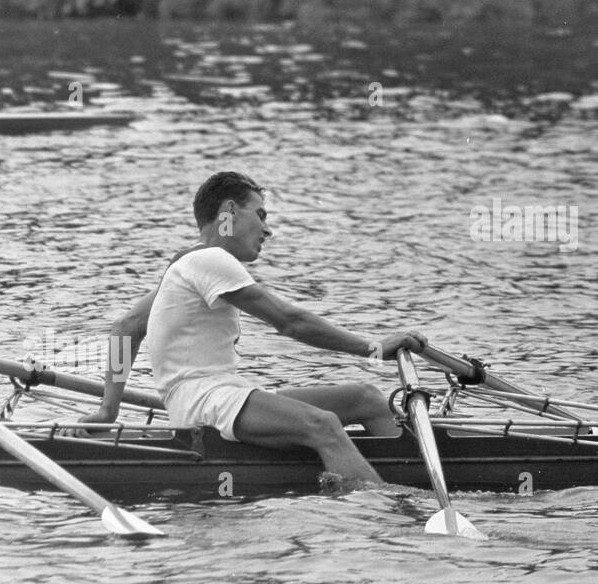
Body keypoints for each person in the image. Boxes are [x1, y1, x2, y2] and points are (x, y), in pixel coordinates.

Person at [82, 171, 428, 485]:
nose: (268, 230)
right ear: (229, 212)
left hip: (218, 392)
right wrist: (373, 348)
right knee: (324, 425)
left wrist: (107, 410)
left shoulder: (189, 265)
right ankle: (383, 510)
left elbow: (127, 327)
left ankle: (414, 475)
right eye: (260, 215)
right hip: (205, 400)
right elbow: (291, 322)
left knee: (364, 398)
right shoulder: (209, 259)